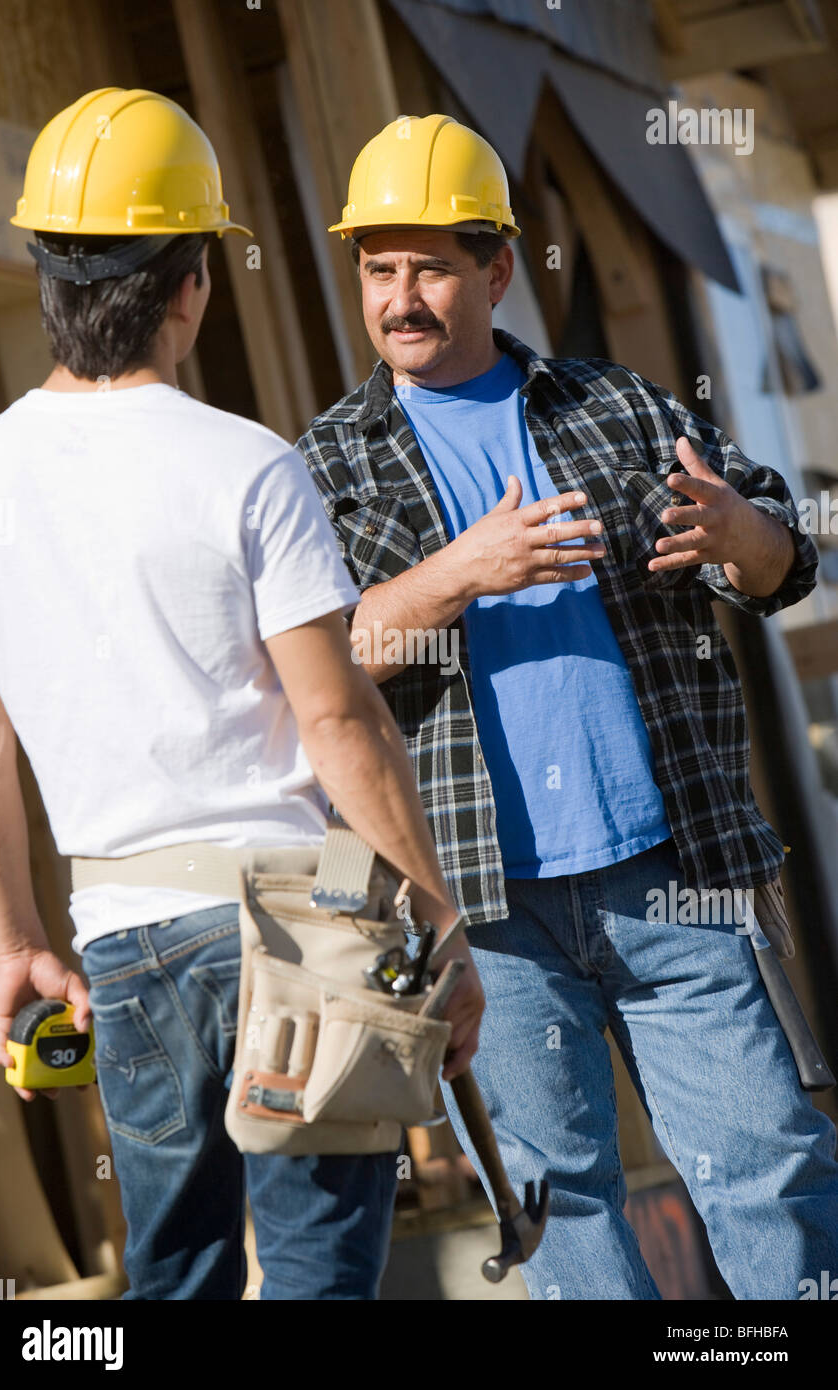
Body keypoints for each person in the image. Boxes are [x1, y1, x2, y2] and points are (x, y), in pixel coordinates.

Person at [297, 113, 838, 1300]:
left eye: (432, 265)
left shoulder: (618, 408)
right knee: (562, 1208)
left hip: (672, 872)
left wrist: (743, 535)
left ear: (497, 269)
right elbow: (322, 667)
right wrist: (460, 570)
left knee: (769, 1167)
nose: (400, 297)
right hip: (482, 908)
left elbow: (783, 560)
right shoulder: (328, 462)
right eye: (378, 268)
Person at [0, 89, 483, 1301]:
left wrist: (16, 941)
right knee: (313, 1271)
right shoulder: (243, 462)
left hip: (120, 935)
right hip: (297, 921)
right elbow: (338, 719)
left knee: (176, 1280)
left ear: (47, 271)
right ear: (193, 280)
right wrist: (438, 928)